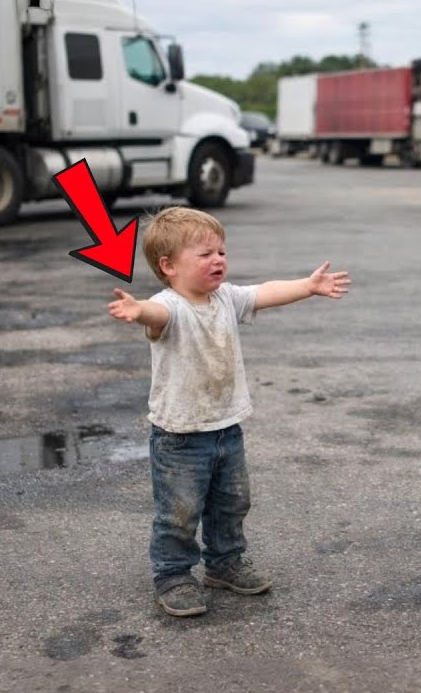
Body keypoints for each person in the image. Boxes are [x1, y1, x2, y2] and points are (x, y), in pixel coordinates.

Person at [108, 206, 351, 617]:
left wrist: (309, 287)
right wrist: (138, 311)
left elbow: (265, 291)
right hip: (180, 436)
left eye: (220, 251)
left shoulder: (224, 298)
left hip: (226, 427)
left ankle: (224, 563)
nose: (218, 260)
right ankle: (172, 574)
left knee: (231, 503)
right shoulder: (169, 307)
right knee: (179, 513)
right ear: (168, 266)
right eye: (204, 254)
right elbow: (156, 315)